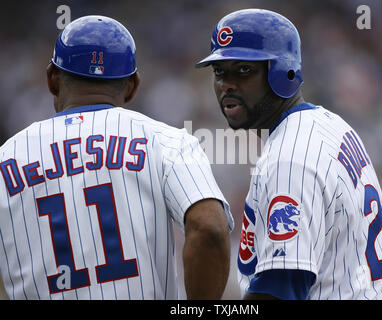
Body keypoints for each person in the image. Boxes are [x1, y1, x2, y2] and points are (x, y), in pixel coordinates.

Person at [0, 15, 233, 300]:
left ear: (52, 79)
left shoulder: (6, 158)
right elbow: (209, 227)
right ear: (133, 86)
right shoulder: (170, 142)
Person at [196, 8, 382, 300]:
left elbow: (279, 290)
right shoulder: (329, 123)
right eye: (219, 72)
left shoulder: (290, 159)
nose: (227, 85)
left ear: (283, 72)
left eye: (244, 70)